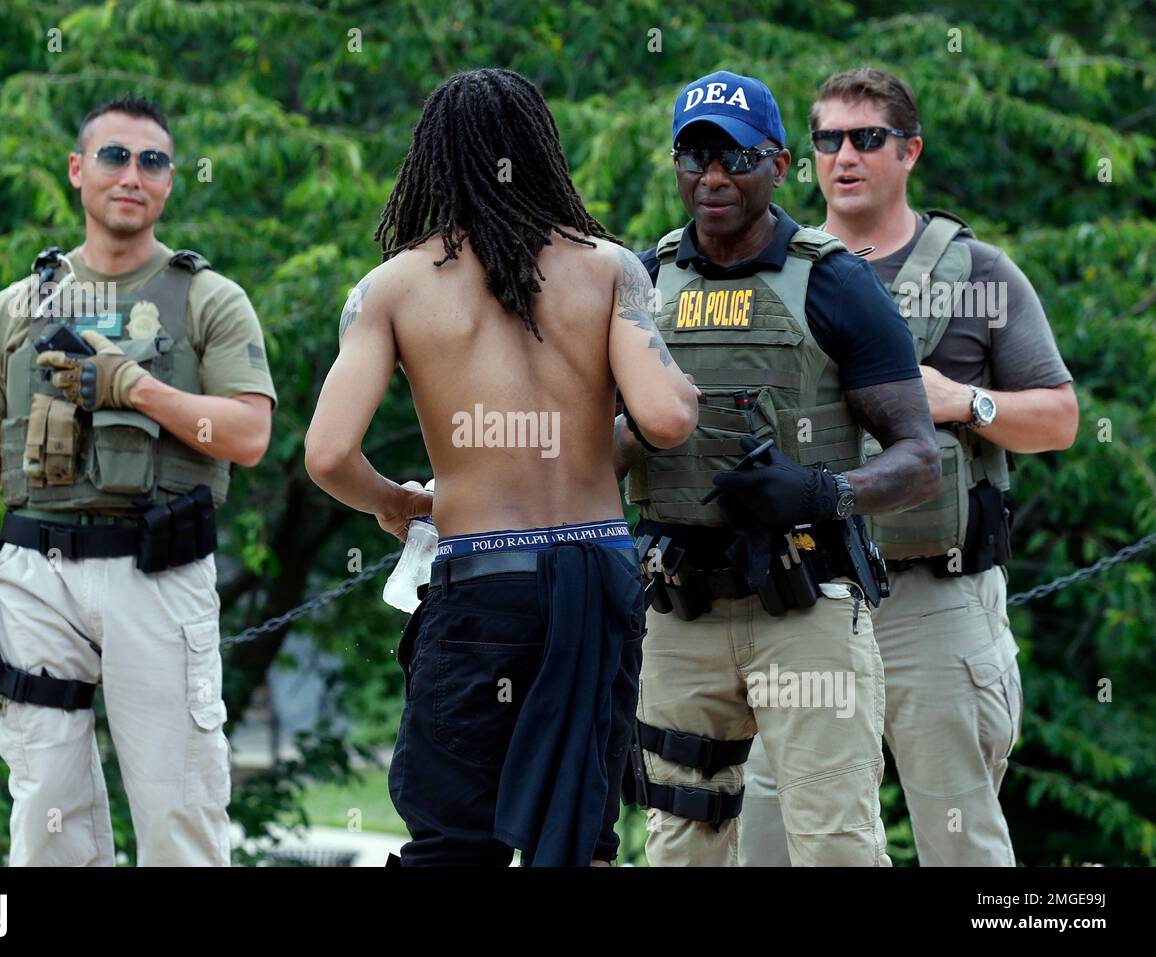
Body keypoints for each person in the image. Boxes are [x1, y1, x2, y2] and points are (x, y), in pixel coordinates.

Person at [304, 67, 697, 867]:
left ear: (430, 162)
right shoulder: (613, 269)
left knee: (452, 839)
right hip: (596, 576)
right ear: (543, 152)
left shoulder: (390, 289)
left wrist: (397, 504)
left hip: (483, 579)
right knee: (580, 837)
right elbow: (663, 418)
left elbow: (327, 454)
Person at [739, 68, 1077, 867]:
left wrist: (965, 401)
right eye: (827, 139)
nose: (845, 156)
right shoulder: (770, 268)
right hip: (803, 600)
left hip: (935, 595)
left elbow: (1061, 418)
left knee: (959, 840)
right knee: (767, 836)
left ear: (910, 150)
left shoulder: (978, 273)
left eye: (867, 138)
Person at [0, 94, 277, 866]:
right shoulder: (14, 310)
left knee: (177, 812)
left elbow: (251, 435)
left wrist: (134, 387)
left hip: (157, 570)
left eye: (152, 161)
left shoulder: (206, 299)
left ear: (170, 182)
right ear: (77, 170)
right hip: (35, 575)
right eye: (115, 156)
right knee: (46, 813)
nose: (133, 174)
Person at [613, 69, 941, 867]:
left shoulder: (832, 280)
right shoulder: (642, 281)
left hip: (805, 606)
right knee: (682, 842)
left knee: (833, 843)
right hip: (680, 606)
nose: (713, 177)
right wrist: (642, 435)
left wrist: (825, 491)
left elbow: (920, 459)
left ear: (779, 165)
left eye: (735, 158)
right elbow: (591, 442)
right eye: (695, 158)